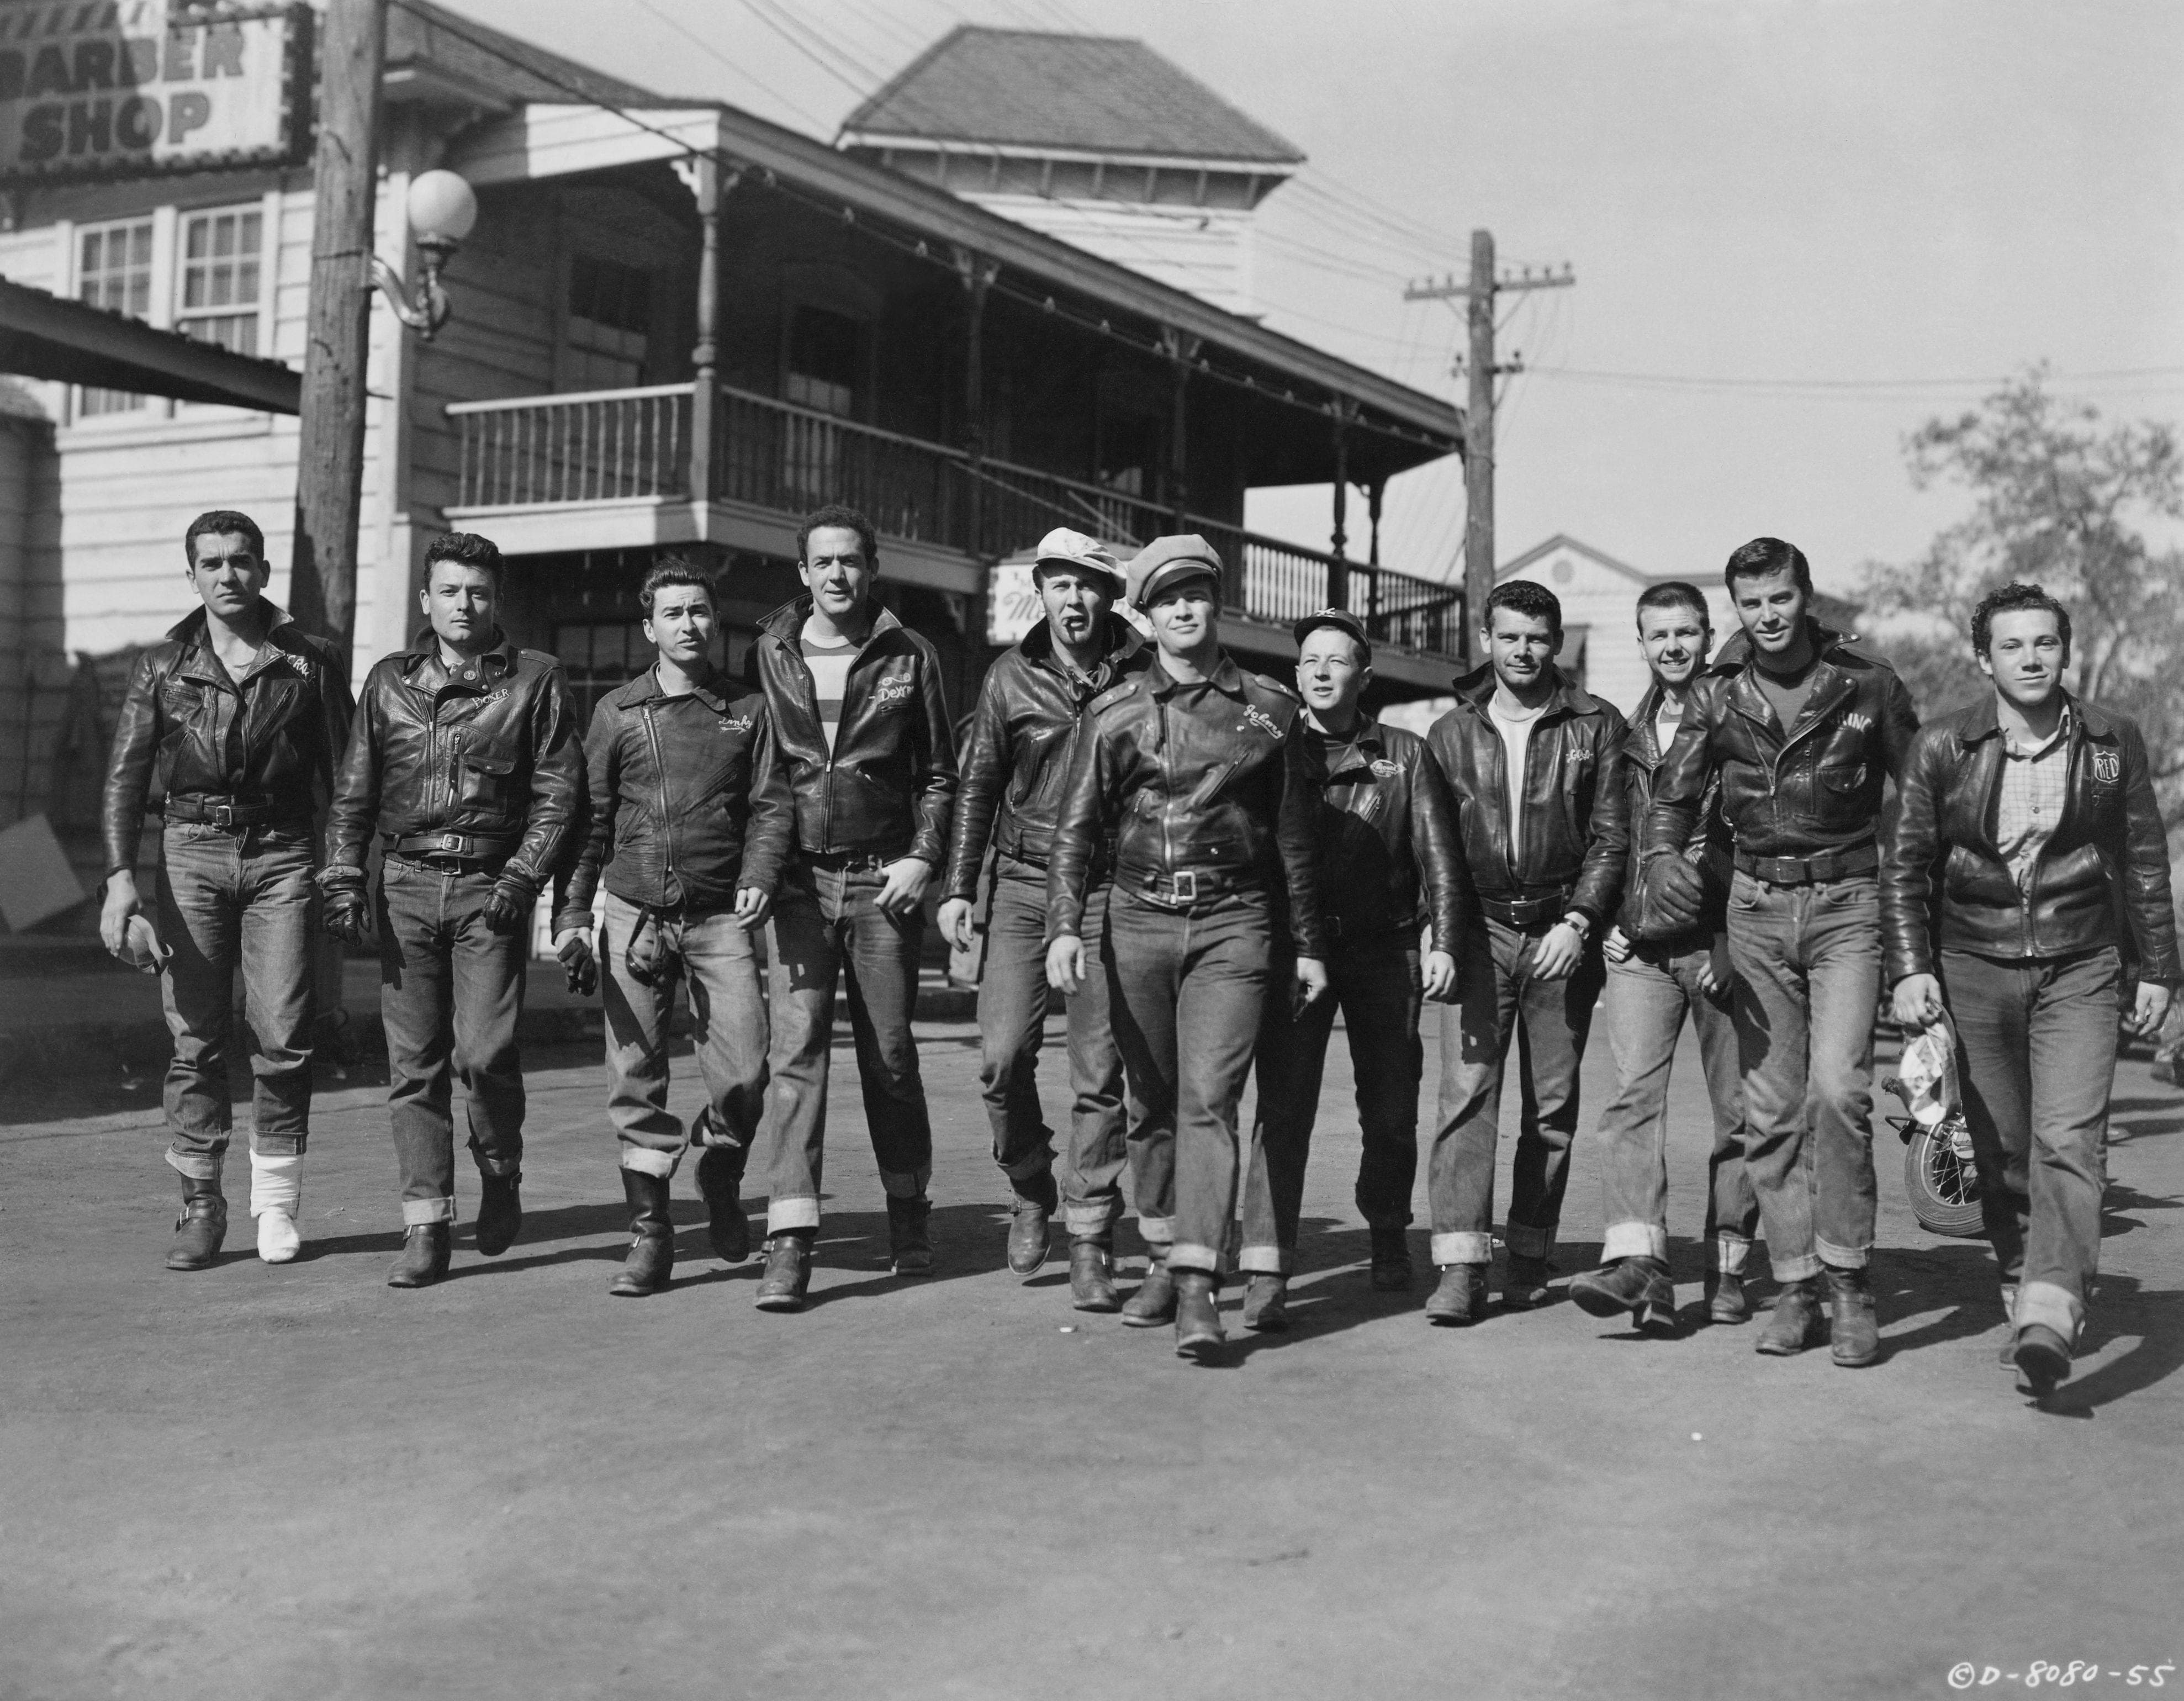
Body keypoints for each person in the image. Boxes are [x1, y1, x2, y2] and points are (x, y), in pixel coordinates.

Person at [1882, 583, 2176, 1397]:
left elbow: (2144, 856)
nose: (2032, 658)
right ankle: (2025, 1277)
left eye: (2045, 643)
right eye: (2012, 646)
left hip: (2081, 964)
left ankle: (2050, 1312)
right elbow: (1904, 866)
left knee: (2070, 1140)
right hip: (1973, 968)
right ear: (1985, 660)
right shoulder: (1942, 746)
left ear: (2066, 650)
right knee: (2005, 1153)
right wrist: (1910, 969)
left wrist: (2158, 969)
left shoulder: (2112, 740)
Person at [1045, 535, 1328, 1358]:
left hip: (1235, 924)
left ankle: (1200, 1287)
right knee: (1150, 1102)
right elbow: (1075, 831)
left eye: (1196, 594)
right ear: (1146, 613)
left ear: (1216, 602)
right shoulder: (1115, 712)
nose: (1182, 610)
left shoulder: (1269, 711)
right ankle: (1168, 1255)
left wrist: (1307, 944)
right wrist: (1065, 925)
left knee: (1210, 1099)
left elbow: (1295, 840)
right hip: (1134, 922)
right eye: (1165, 599)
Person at [1641, 537, 1918, 1366]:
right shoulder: (1717, 696)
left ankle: (1850, 1283)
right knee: (1769, 1109)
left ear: (1806, 597)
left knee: (1838, 1092)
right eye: (1751, 603)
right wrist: (1662, 860)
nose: (1767, 616)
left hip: (1848, 904)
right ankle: (1796, 1285)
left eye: (1780, 599)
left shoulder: (1867, 683)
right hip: (1755, 907)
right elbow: (1673, 795)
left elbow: (1928, 791)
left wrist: (1917, 914)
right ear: (1738, 607)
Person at [321, 531, 582, 1288]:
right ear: (426, 600)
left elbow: (560, 796)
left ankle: (500, 1168)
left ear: (494, 600)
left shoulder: (535, 682)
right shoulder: (388, 683)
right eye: (450, 591)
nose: (464, 605)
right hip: (403, 887)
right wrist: (342, 876)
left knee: (486, 1053)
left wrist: (522, 879)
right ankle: (426, 1223)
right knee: (414, 1065)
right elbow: (352, 795)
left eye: (478, 592)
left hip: (488, 894)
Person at [99, 510, 353, 1270]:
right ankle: (201, 1206)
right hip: (189, 854)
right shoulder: (162, 665)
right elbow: (124, 779)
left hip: (282, 855)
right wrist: (119, 882)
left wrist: (342, 872)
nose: (226, 575)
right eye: (210, 563)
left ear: (265, 571)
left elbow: (346, 781)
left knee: (282, 1035)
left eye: (240, 561)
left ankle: (275, 1203)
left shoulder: (311, 662)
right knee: (197, 1039)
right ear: (192, 577)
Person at [551, 558, 793, 1297]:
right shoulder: (618, 713)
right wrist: (569, 918)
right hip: (633, 917)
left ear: (714, 623)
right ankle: (651, 1235)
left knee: (749, 1070)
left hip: (721, 917)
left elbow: (772, 807)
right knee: (636, 1079)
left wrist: (757, 876)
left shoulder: (748, 710)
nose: (690, 625)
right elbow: (589, 823)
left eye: (700, 612)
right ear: (650, 627)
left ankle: (720, 1165)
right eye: (675, 613)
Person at [744, 504, 958, 1310]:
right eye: (823, 563)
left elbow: (941, 773)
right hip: (800, 882)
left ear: (873, 570)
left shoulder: (912, 655)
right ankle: (791, 1239)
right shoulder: (772, 650)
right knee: (797, 1059)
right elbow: (771, 780)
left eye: (851, 562)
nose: (837, 575)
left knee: (891, 1058)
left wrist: (923, 858)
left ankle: (909, 1213)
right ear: (803, 574)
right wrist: (764, 871)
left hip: (882, 883)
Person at [1235, 608, 1466, 1330]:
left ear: (1364, 676)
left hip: (1384, 947)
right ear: (1297, 673)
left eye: (1338, 660)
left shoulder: (1407, 751)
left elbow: (1438, 858)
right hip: (1296, 949)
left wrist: (1443, 939)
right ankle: (1267, 1267)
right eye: (1309, 661)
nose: (1322, 672)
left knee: (1391, 1107)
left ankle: (1391, 1232)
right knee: (1284, 1105)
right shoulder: (1271, 747)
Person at [938, 528, 1148, 1306]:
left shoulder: (1143, 677)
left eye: (1089, 586)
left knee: (1100, 1073)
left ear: (1109, 597)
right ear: (1044, 591)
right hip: (1026, 887)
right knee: (1001, 1057)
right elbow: (978, 786)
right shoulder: (1009, 677)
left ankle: (1090, 1230)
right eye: (1060, 585)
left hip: (1107, 890)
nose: (1075, 600)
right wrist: (961, 886)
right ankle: (1030, 1183)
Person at [1421, 580, 1627, 1324]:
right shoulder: (1450, 734)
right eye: (1509, 636)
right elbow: (1437, 852)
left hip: (1558, 936)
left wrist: (1578, 923)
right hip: (1478, 931)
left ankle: (1531, 1255)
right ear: (1487, 640)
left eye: (1538, 638)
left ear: (1557, 642)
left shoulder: (1597, 725)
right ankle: (1459, 1266)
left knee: (1552, 1106)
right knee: (1467, 1098)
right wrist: (1442, 935)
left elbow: (1613, 837)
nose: (1523, 651)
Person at [1569, 583, 1758, 1333]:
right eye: (1659, 635)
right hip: (1641, 952)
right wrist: (1612, 916)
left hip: (1722, 948)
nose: (1674, 646)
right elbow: (1613, 835)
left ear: (1708, 637)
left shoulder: (1742, 723)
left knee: (1737, 1113)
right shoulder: (1627, 734)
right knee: (1631, 1104)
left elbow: (1752, 839)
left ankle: (1729, 1266)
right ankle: (1641, 1265)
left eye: (1687, 632)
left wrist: (1731, 937)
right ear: (1642, 643)